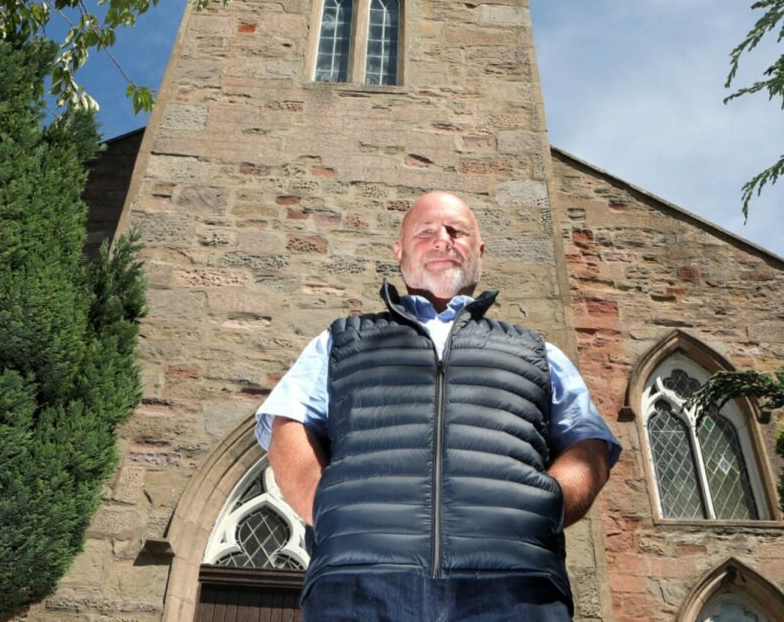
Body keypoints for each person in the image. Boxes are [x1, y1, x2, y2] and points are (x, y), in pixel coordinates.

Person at [256, 190, 621, 621]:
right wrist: (322, 508)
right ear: (400, 251)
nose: (442, 240)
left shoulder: (537, 351)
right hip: (357, 588)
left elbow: (588, 443)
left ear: (479, 251)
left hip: (515, 590)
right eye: (425, 231)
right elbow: (288, 423)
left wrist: (549, 506)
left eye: (456, 231)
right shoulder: (339, 341)